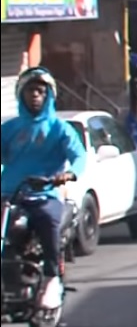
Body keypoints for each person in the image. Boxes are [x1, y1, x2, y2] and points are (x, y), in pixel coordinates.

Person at [1, 67, 87, 310]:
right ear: (21, 95)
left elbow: (79, 157)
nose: (35, 95)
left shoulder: (60, 129)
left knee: (48, 221)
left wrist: (68, 174)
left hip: (43, 195)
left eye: (40, 91)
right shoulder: (9, 129)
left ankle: (51, 277)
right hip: (9, 195)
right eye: (30, 90)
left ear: (49, 95)